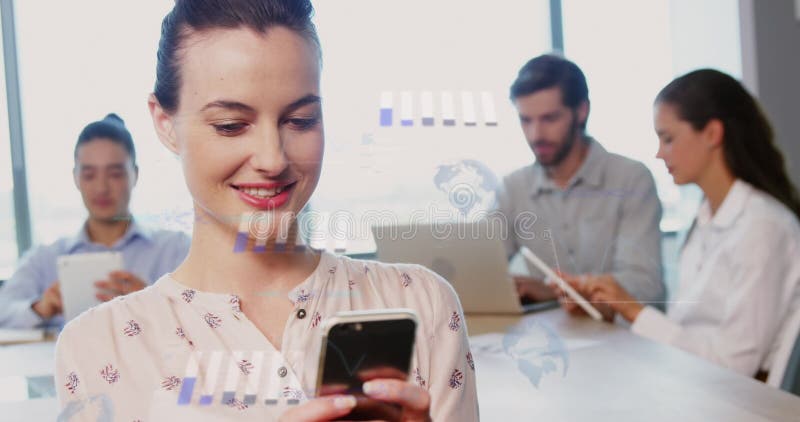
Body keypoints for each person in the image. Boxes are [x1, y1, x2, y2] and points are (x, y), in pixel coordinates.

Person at [55, 1, 478, 421]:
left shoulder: (421, 303)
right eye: (231, 125)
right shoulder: (96, 348)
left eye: (300, 120)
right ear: (165, 122)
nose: (273, 159)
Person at [583, 69, 800, 378]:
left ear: (712, 134)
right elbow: (688, 331)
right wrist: (617, 311)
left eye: (668, 138)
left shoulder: (763, 227)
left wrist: (635, 311)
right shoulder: (704, 219)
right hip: (692, 384)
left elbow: (735, 365)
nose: (659, 153)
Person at [496, 54, 665, 318]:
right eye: (525, 120)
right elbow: (479, 267)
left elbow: (645, 286)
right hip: (550, 341)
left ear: (581, 111)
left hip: (623, 341)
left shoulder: (630, 179)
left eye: (549, 118)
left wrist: (555, 290)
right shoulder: (512, 187)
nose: (535, 134)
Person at [0, 114, 190, 330]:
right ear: (75, 178)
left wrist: (155, 304)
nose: (101, 188)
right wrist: (40, 308)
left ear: (135, 175)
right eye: (89, 175)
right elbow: (4, 309)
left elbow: (211, 316)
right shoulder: (45, 258)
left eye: (115, 174)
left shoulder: (176, 249)